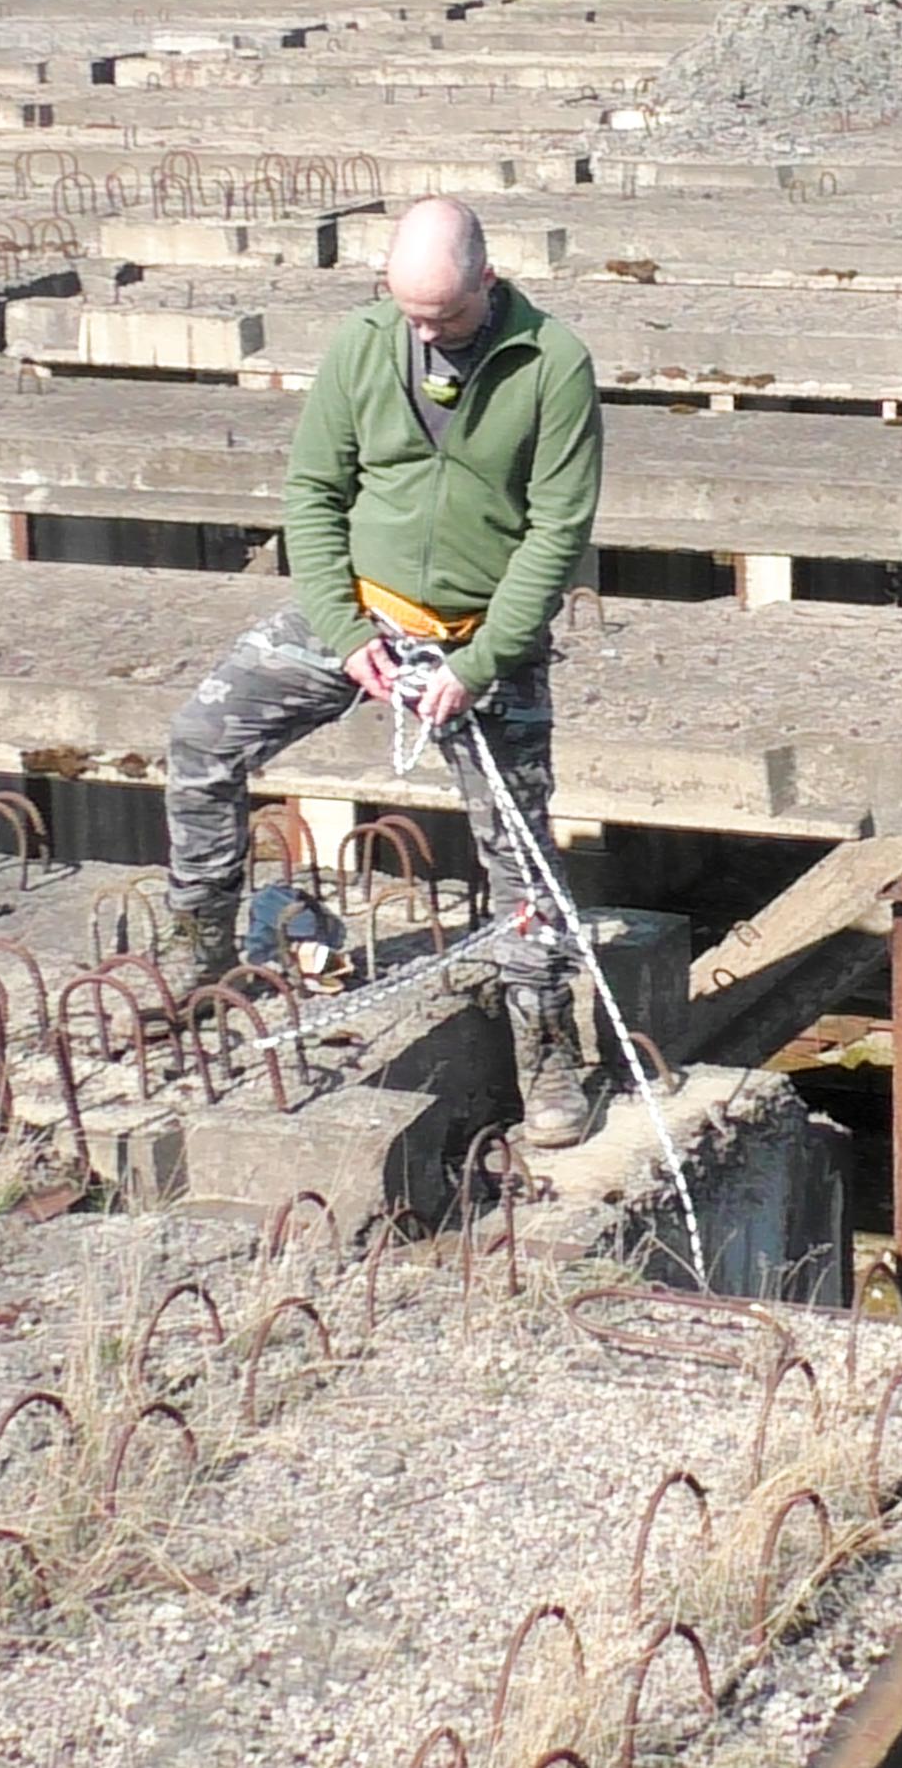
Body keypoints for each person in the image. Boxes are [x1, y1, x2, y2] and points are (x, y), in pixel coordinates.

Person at [156, 197, 610, 1145]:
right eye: (410, 313)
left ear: (488, 282)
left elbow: (556, 533)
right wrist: (343, 625)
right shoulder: (361, 348)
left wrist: (479, 664)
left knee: (519, 852)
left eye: (444, 315)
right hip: (359, 614)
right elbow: (314, 493)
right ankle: (198, 958)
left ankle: (548, 1055)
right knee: (201, 740)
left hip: (483, 638)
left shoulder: (552, 365)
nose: (426, 331)